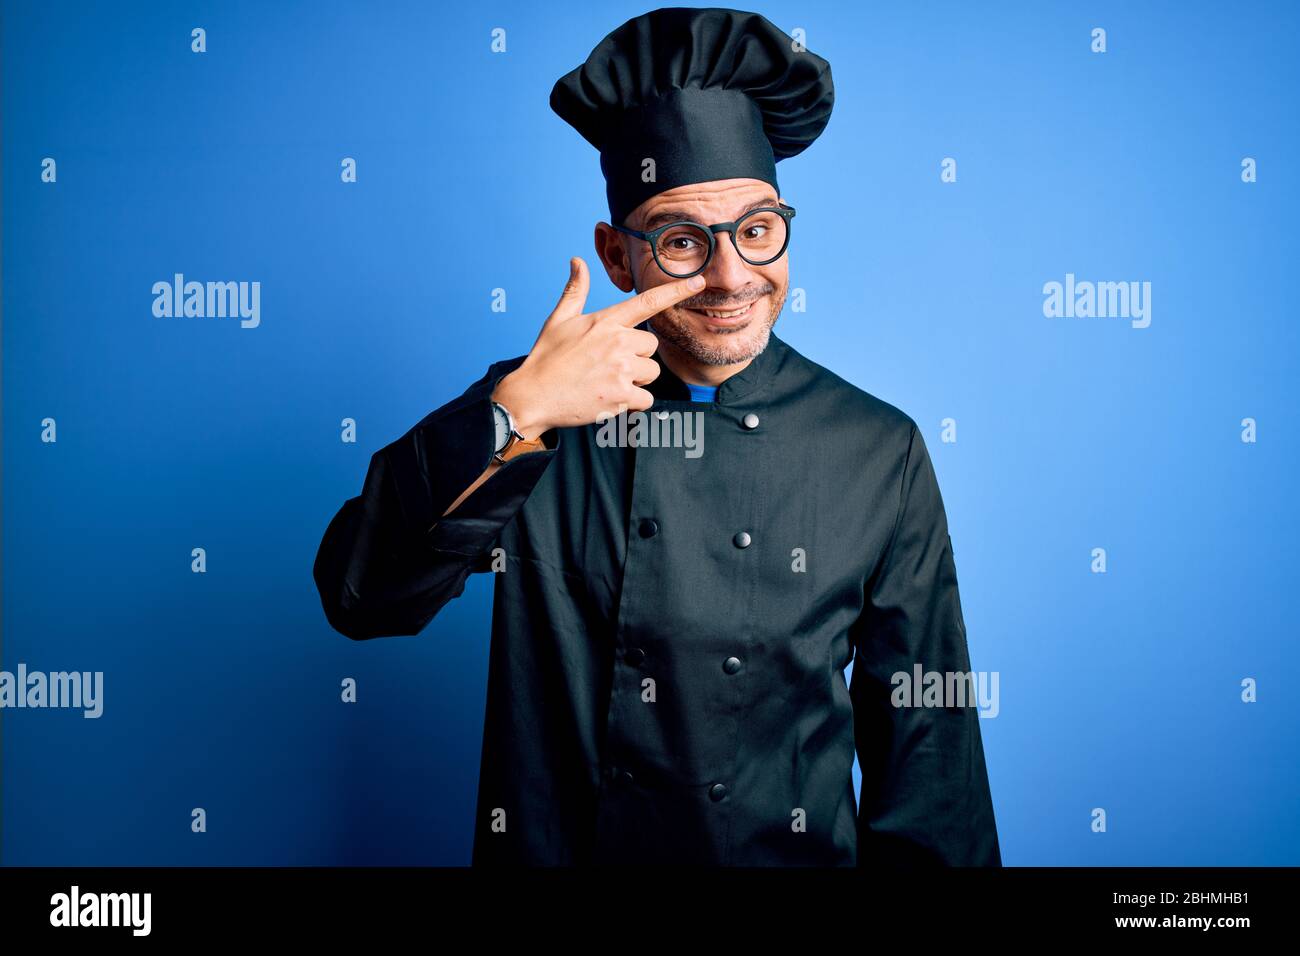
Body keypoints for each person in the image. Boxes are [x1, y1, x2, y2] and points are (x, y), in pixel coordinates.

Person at [313, 6, 1001, 867]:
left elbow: (931, 764)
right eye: (682, 241)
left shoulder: (878, 450)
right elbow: (361, 599)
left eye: (756, 231)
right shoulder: (537, 411)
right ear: (616, 257)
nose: (730, 277)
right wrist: (518, 412)